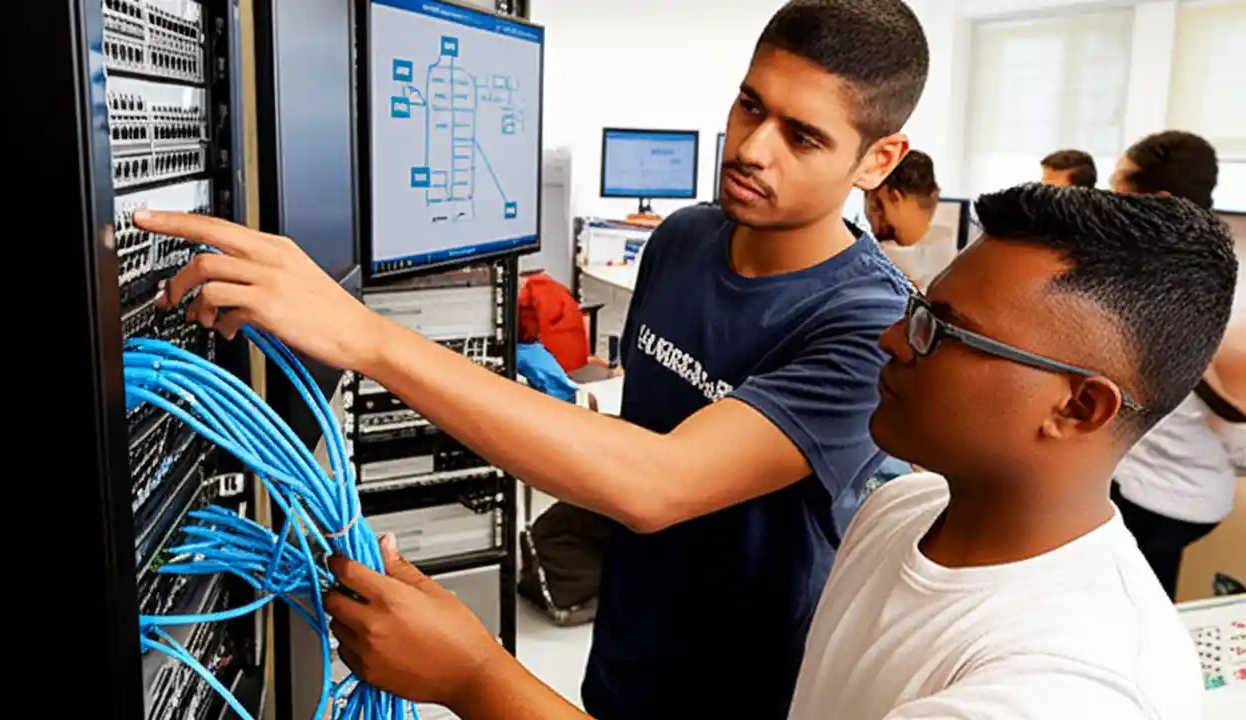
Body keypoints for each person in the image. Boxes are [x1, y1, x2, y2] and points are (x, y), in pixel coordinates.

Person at [141, 1, 930, 716]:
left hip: (747, 686)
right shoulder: (685, 239)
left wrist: (364, 335)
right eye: (750, 105)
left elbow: (660, 483)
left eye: (803, 136)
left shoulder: (867, 325)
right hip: (625, 652)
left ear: (878, 159)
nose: (753, 148)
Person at [298, 185, 1228, 719]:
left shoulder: (1061, 688)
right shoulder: (904, 510)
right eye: (916, 306)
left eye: (940, 329)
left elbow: (653, 483)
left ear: (1079, 406)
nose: (892, 341)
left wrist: (470, 676)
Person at [1108, 129, 1243, 597]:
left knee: (1131, 605)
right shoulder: (1205, 268)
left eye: (1119, 189)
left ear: (1157, 198)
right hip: (1185, 489)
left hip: (1162, 495)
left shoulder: (1174, 285)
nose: (1110, 200)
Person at [864, 148, 954, 288]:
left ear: (894, 197)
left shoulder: (890, 260)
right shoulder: (951, 252)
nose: (874, 225)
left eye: (876, 207)